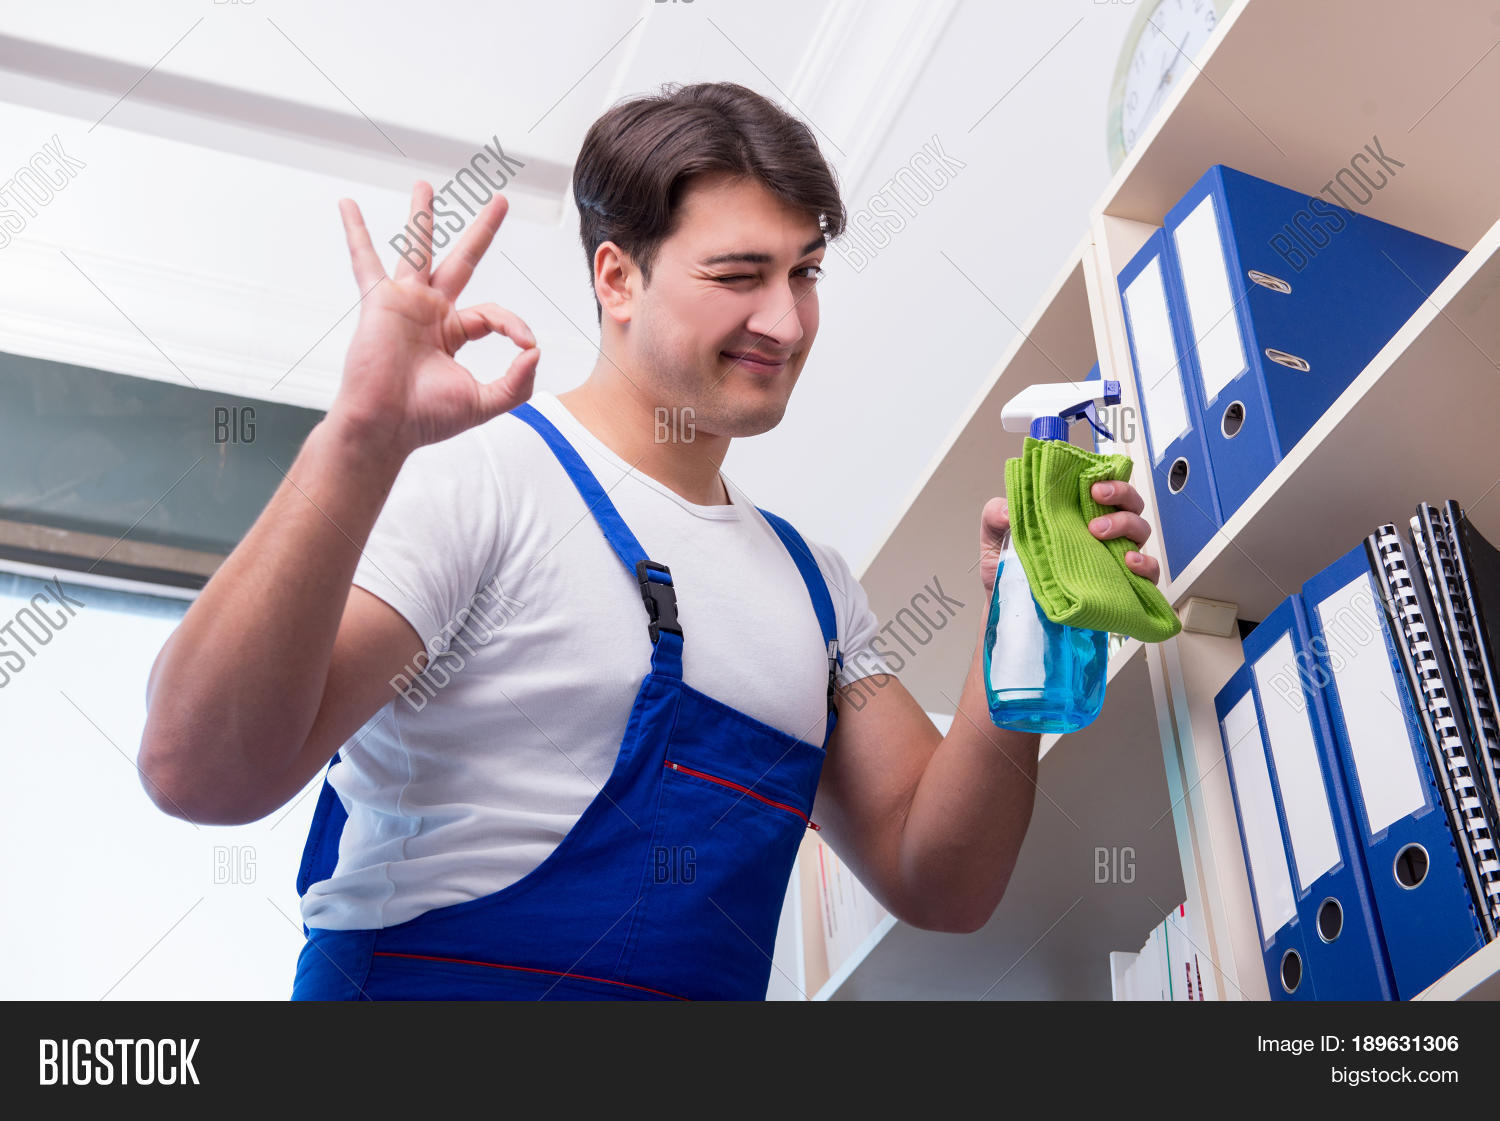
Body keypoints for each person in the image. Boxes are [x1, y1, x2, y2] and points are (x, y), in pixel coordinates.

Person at [138, 82, 1161, 1000]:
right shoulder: (487, 482)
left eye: (804, 273)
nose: (788, 320)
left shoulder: (816, 592)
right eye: (739, 273)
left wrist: (1023, 616)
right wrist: (359, 435)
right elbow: (198, 769)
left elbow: (942, 877)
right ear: (617, 278)